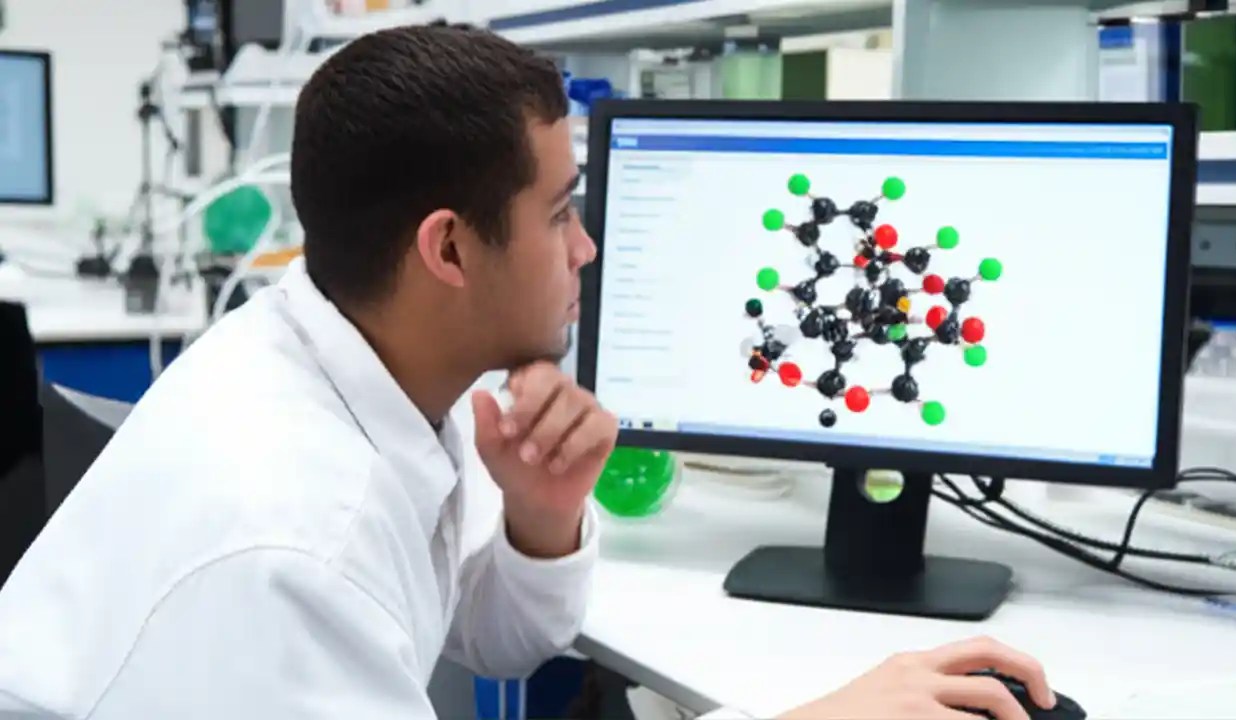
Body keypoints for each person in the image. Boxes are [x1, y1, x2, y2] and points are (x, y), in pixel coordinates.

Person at [0, 22, 1055, 720]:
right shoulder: (297, 536)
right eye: (558, 213)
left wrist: (540, 519)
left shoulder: (369, 368)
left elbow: (496, 639)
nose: (585, 247)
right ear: (449, 249)